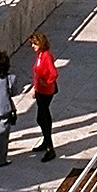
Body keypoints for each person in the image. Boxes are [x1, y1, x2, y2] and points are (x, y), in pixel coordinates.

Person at [30, 31, 58, 162]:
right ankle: (46, 142)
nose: (33, 46)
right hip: (40, 91)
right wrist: (35, 88)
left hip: (46, 92)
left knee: (42, 117)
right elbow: (37, 73)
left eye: (35, 43)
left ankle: (49, 147)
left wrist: (46, 83)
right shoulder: (39, 55)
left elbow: (53, 73)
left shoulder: (46, 56)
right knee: (42, 117)